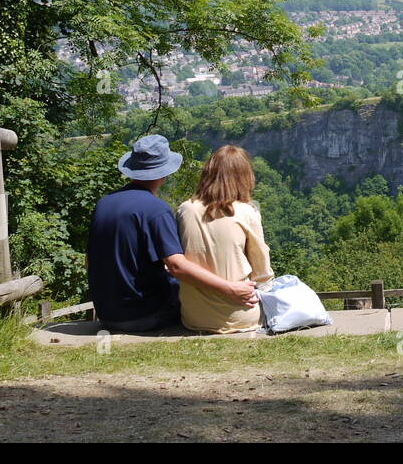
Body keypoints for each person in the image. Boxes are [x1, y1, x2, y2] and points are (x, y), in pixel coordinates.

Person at [87, 134, 258, 332]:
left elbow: (90, 260)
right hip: (142, 315)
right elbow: (177, 267)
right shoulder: (156, 210)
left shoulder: (104, 203)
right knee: (190, 292)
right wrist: (231, 289)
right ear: (164, 173)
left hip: (107, 313)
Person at [176, 145, 274, 334]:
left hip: (193, 316)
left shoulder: (185, 209)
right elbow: (262, 273)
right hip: (240, 316)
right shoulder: (247, 211)